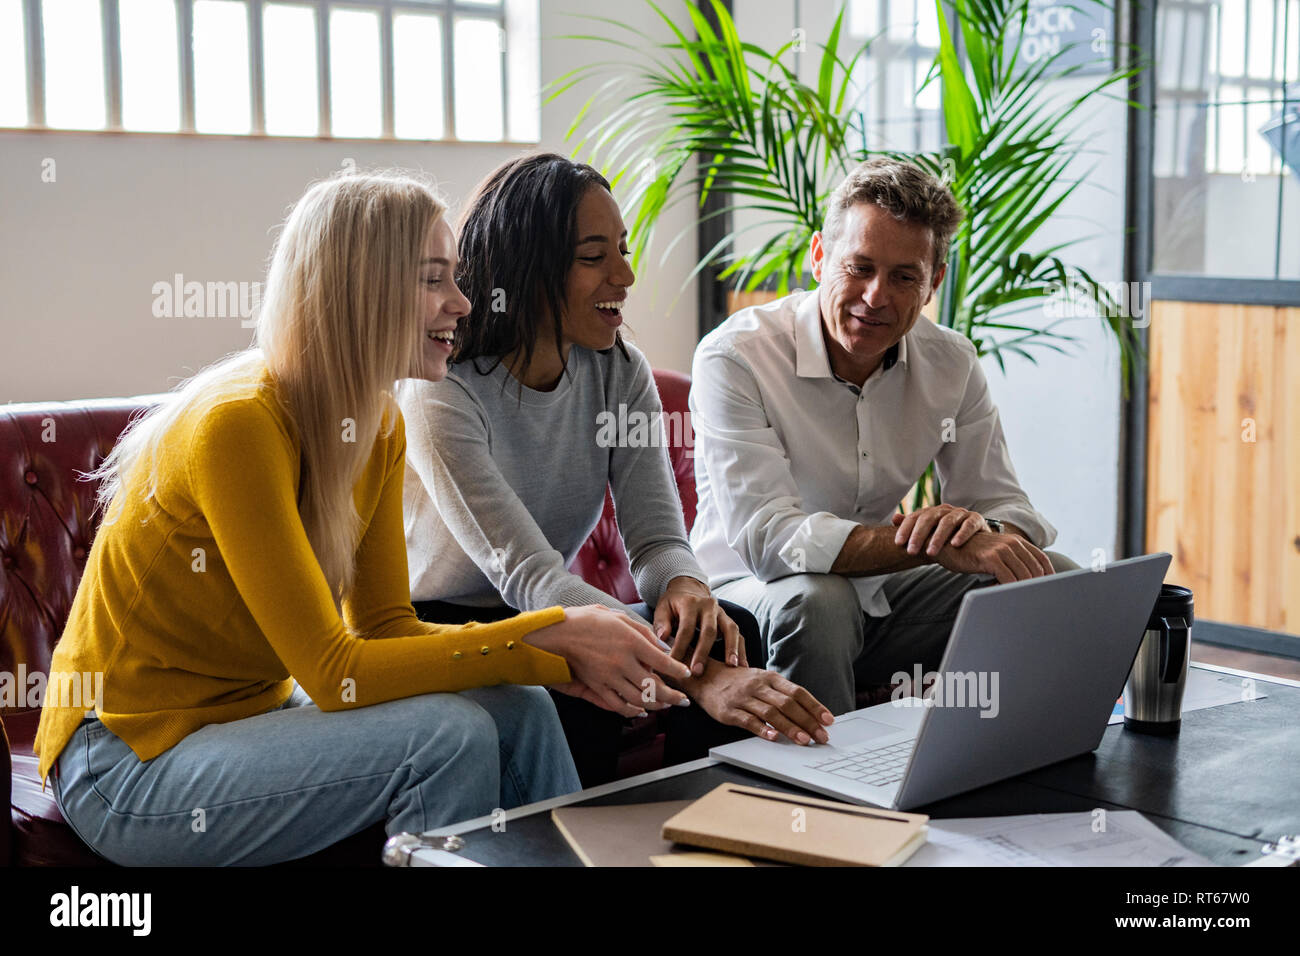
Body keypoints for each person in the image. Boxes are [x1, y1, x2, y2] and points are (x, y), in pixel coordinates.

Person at [33, 171, 691, 866]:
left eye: (458, 279)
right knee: (447, 737)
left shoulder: (378, 424)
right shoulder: (238, 426)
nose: (463, 305)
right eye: (434, 281)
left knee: (520, 708)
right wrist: (550, 641)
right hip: (125, 761)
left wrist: (537, 662)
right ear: (362, 289)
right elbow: (330, 668)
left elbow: (384, 628)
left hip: (245, 718)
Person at [398, 153, 833, 786]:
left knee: (725, 627)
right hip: (451, 621)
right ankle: (585, 842)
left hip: (552, 608)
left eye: (623, 251)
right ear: (528, 269)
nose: (625, 276)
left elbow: (656, 540)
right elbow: (527, 576)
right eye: (594, 257)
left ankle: (704, 826)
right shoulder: (443, 388)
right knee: (590, 666)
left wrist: (686, 586)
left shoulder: (618, 369)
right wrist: (705, 680)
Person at [690, 157, 1079, 717]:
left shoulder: (951, 363)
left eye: (904, 277)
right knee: (817, 599)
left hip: (877, 600)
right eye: (860, 267)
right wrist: (930, 543)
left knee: (1052, 577)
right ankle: (826, 793)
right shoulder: (736, 357)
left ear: (932, 284)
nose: (876, 297)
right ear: (820, 256)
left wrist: (984, 528)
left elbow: (1005, 503)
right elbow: (772, 542)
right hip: (750, 598)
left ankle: (1002, 764)